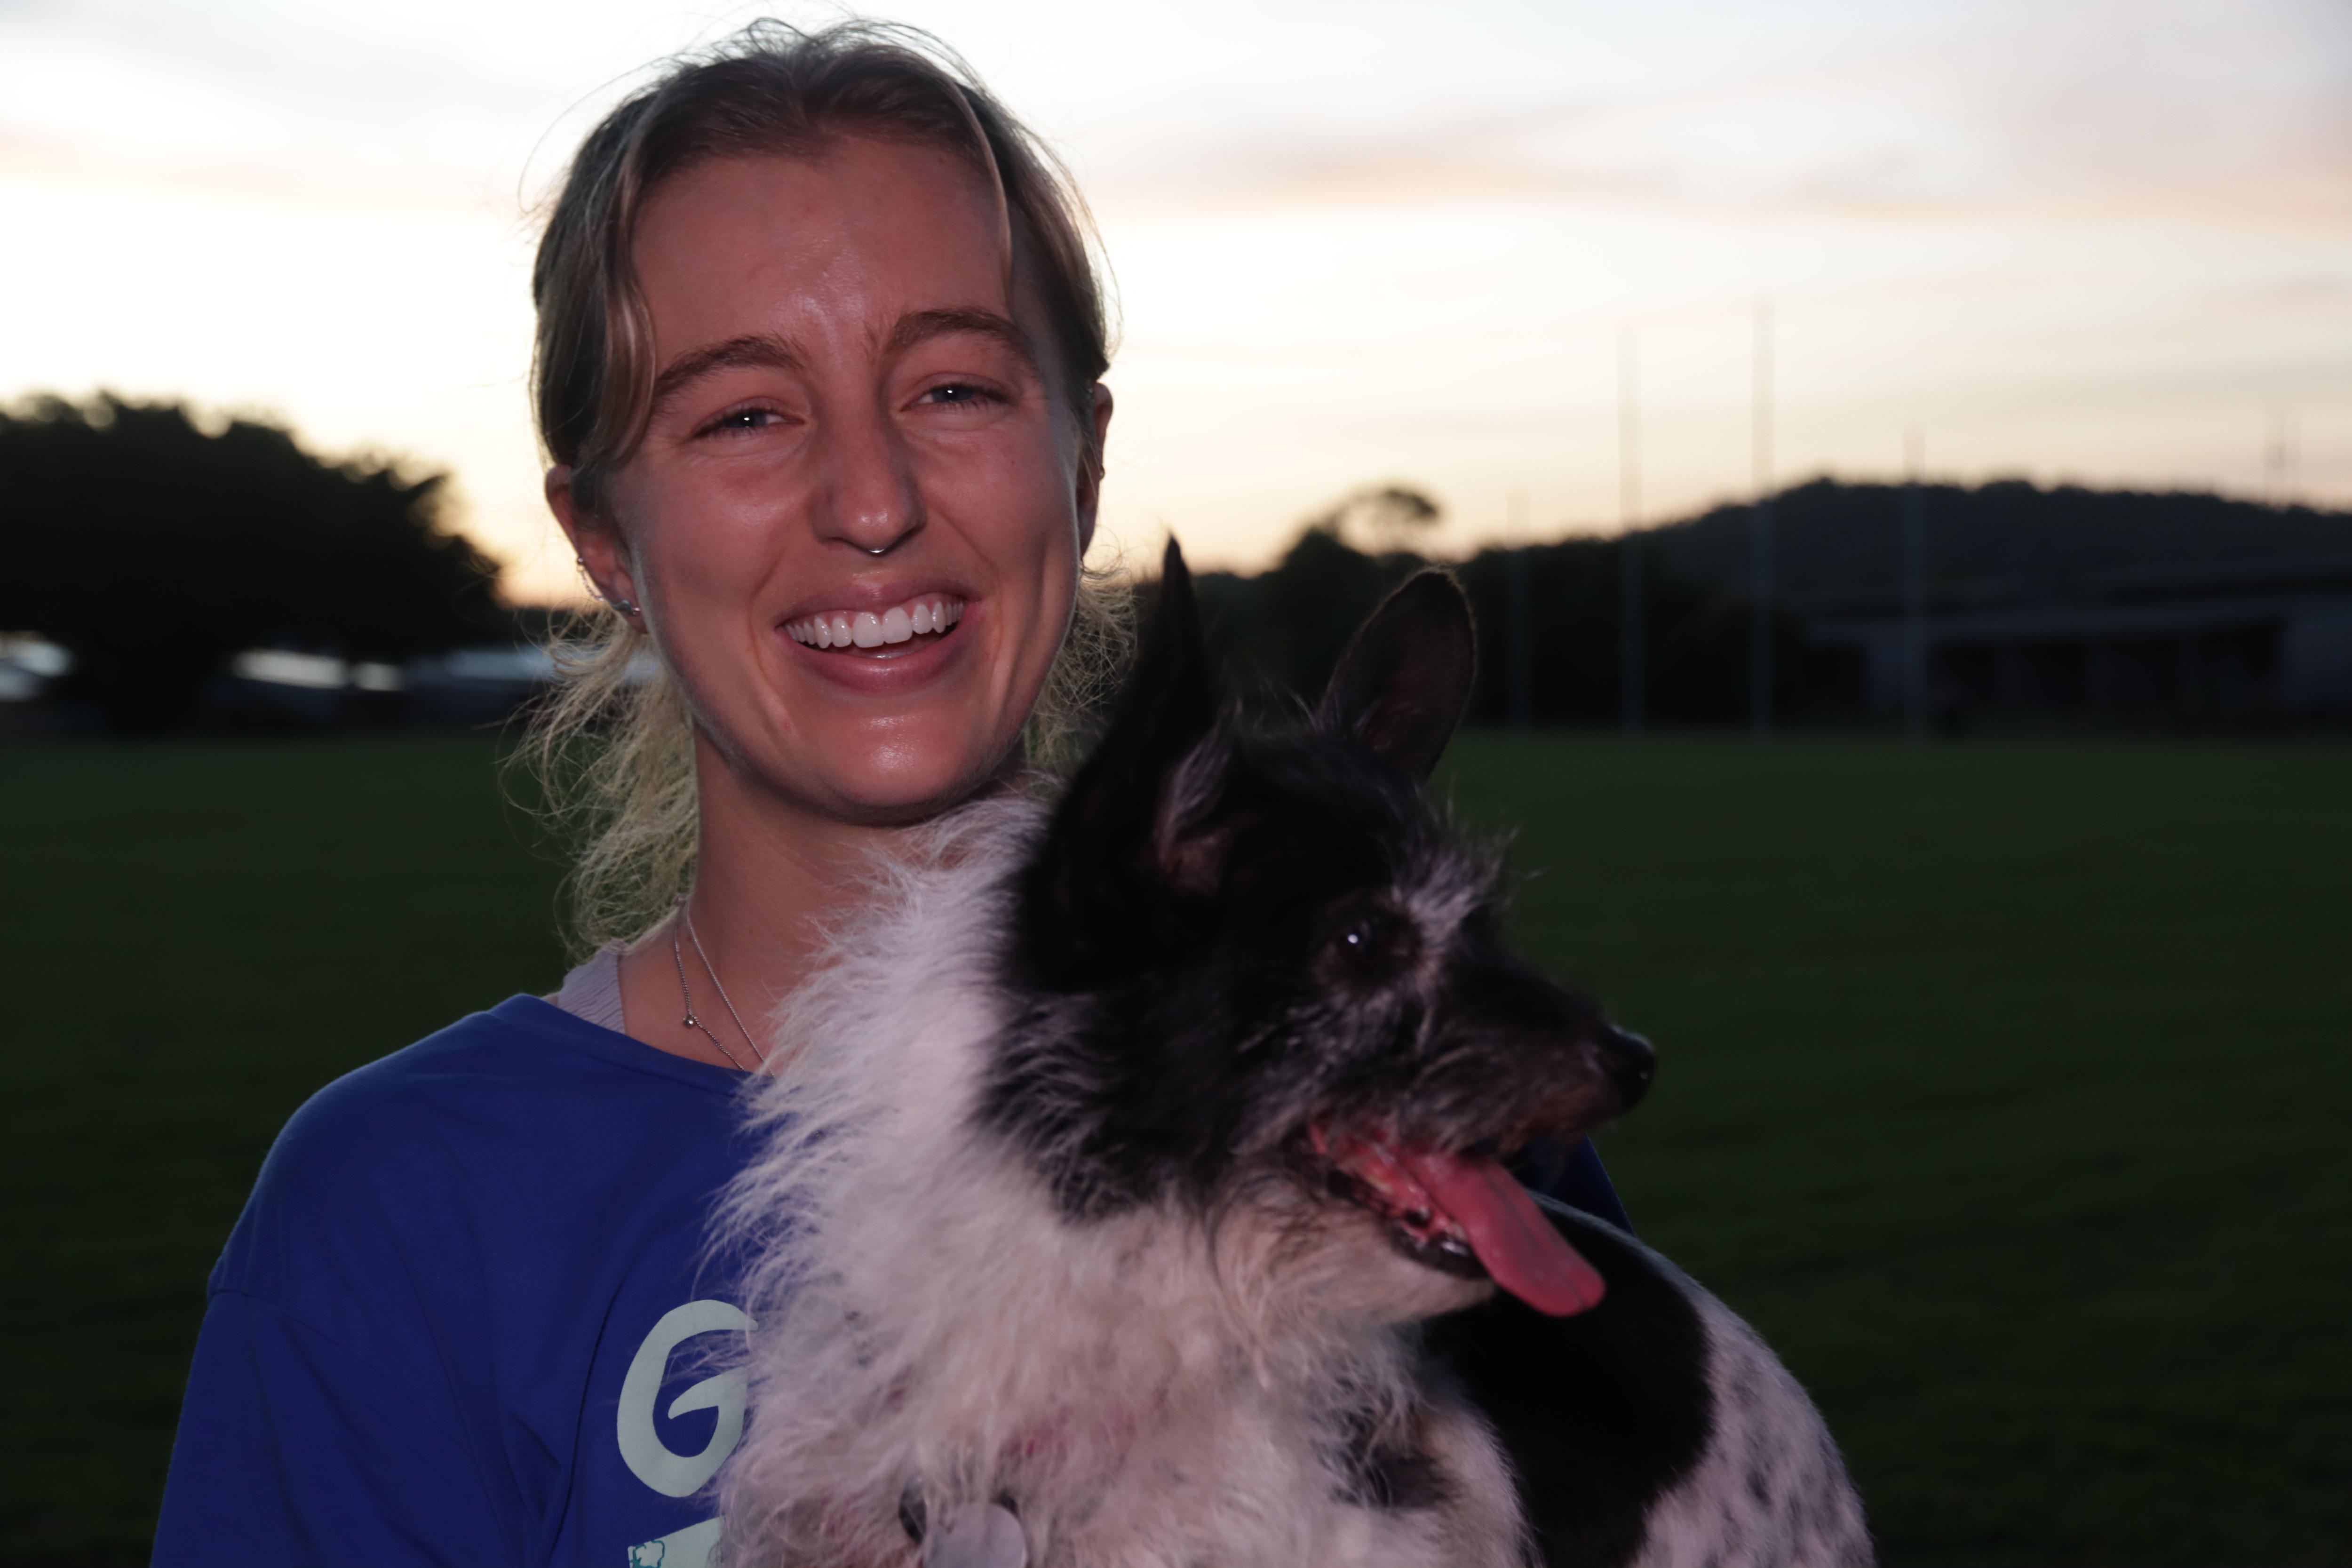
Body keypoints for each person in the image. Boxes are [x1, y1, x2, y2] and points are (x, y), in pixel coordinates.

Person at [151, 23, 1622, 1566]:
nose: (871, 502)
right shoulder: (408, 1210)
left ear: (1084, 459)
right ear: (602, 538)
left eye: (956, 389)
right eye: (742, 414)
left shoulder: (1384, 1097)